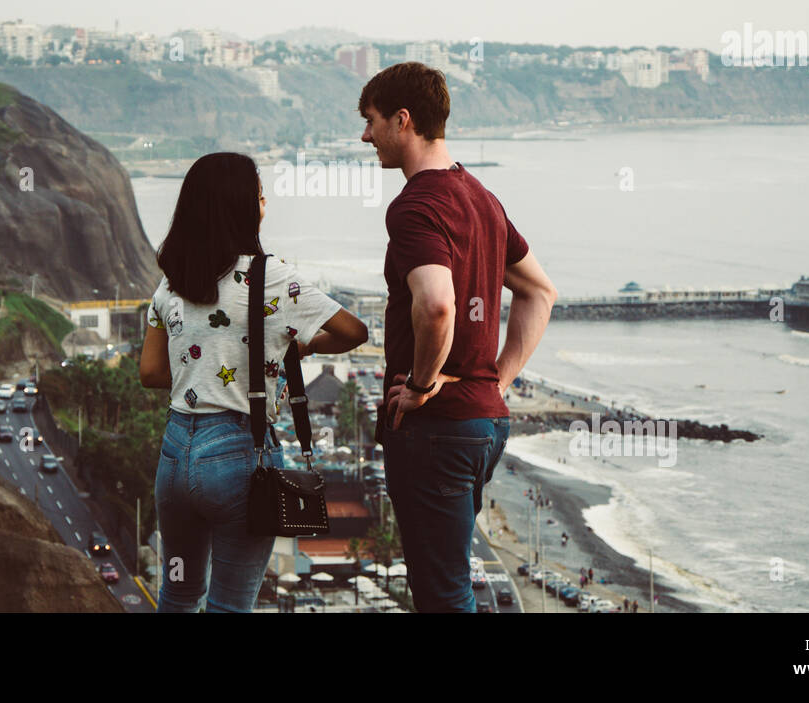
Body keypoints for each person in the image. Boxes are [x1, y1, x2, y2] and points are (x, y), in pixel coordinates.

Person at [360, 62, 558, 612]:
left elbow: (438, 303)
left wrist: (422, 385)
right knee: (445, 583)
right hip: (481, 422)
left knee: (442, 592)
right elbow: (540, 291)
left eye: (371, 121)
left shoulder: (415, 206)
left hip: (435, 427)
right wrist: (495, 379)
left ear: (403, 120)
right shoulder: (482, 199)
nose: (365, 135)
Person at [140, 152, 368, 612]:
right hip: (239, 455)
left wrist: (199, 374)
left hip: (174, 454)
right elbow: (354, 332)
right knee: (231, 603)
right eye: (260, 192)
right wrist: (302, 347)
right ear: (246, 207)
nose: (265, 199)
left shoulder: (172, 282)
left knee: (179, 593)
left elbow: (151, 374)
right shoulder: (273, 278)